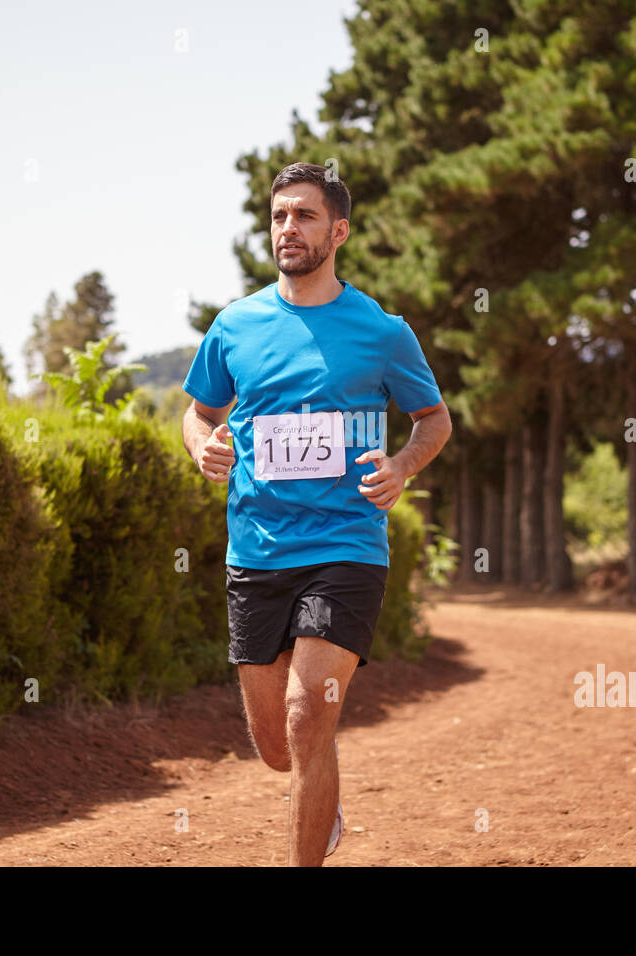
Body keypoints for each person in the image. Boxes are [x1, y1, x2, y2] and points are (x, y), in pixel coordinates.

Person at [181, 162, 451, 866]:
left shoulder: (382, 331)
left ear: (339, 230)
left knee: (308, 716)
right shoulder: (236, 325)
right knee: (277, 747)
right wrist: (202, 446)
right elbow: (199, 412)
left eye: (303, 216)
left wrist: (400, 467)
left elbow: (434, 419)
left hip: (346, 550)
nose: (288, 229)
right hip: (257, 552)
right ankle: (322, 804)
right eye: (278, 217)